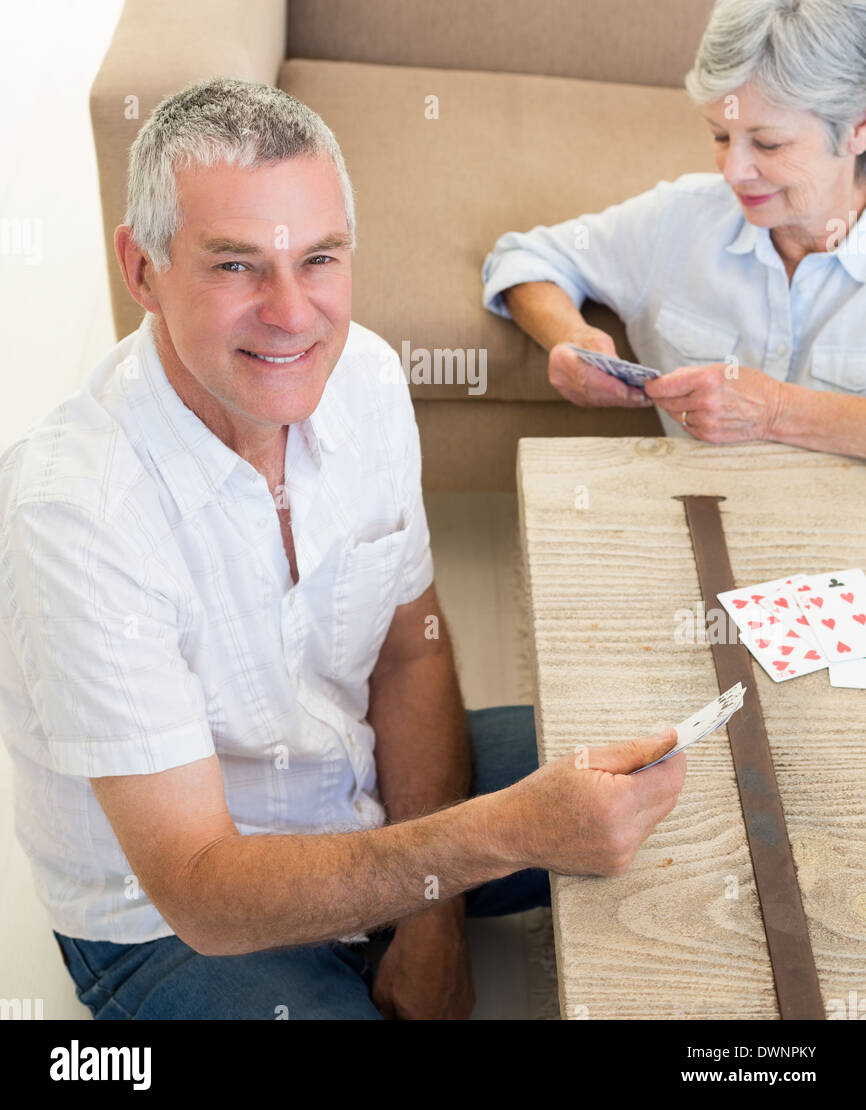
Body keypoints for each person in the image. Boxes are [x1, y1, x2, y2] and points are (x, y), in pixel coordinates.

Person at [0, 79, 685, 1021]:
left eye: (317, 258)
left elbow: (410, 649)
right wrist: (489, 842)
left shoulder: (362, 374)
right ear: (142, 267)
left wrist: (431, 921)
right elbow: (199, 885)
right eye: (236, 265)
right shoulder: (74, 513)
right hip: (173, 920)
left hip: (351, 795)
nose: (293, 314)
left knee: (666, 782)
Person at [482, 0, 866, 456]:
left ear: (857, 130)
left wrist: (775, 410)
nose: (733, 171)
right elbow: (523, 259)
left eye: (769, 144)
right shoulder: (681, 221)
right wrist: (569, 338)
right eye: (720, 135)